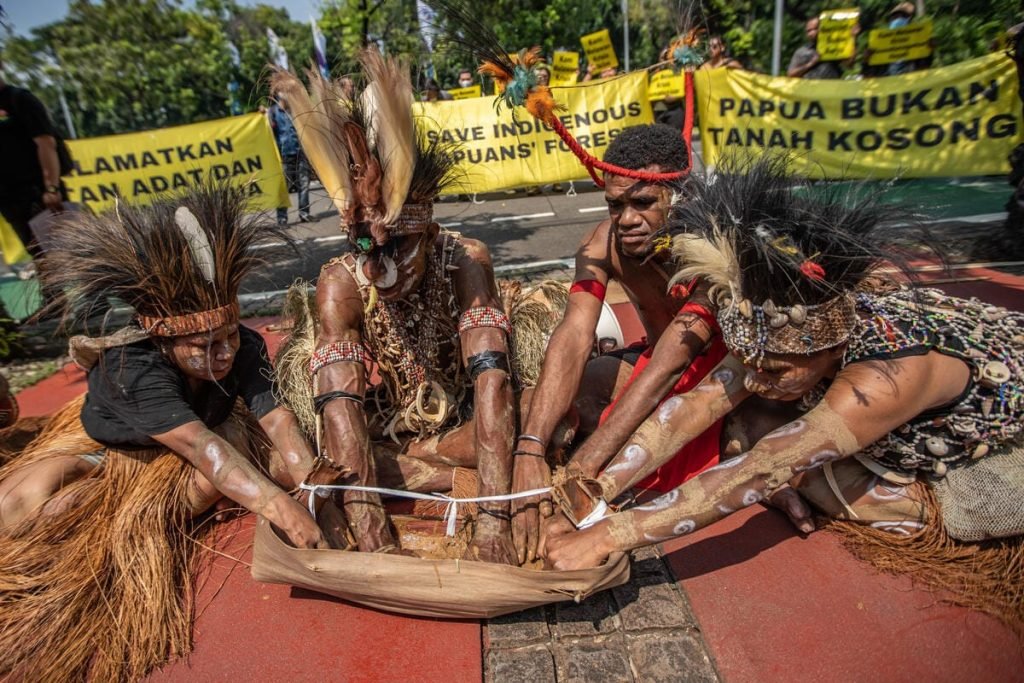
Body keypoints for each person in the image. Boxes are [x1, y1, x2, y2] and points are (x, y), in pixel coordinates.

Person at [543, 156, 1024, 628]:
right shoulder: (781, 329)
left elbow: (761, 468)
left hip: (979, 438)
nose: (755, 380)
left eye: (773, 370)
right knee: (751, 432)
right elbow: (697, 404)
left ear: (823, 350)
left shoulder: (880, 379)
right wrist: (599, 488)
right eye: (750, 364)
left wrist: (608, 536)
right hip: (867, 408)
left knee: (798, 470)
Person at [0, 183, 325, 681]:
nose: (224, 354)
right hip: (124, 452)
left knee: (241, 474)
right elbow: (200, 446)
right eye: (204, 346)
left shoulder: (244, 345)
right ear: (166, 341)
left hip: (211, 436)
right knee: (27, 509)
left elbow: (277, 419)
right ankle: (107, 507)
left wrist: (316, 488)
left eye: (229, 338)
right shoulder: (131, 366)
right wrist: (281, 508)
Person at [272, 49, 558, 564]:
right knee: (302, 453)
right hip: (398, 422)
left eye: (397, 246)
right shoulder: (341, 281)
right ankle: (439, 467)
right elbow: (341, 408)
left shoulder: (464, 260)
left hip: (469, 414)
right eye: (365, 246)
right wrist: (371, 530)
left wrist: (493, 517)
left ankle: (424, 468)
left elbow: (492, 384)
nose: (379, 267)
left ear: (428, 232)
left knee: (547, 415)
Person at [511, 123, 730, 564]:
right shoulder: (601, 246)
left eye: (643, 203)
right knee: (538, 407)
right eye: (615, 205)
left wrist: (583, 468)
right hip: (655, 366)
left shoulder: (717, 243)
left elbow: (674, 359)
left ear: (680, 195)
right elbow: (575, 334)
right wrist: (529, 448)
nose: (626, 219)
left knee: (750, 440)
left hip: (721, 381)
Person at [0, 63, 72, 261]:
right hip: (9, 200)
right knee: (40, 257)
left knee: (68, 253)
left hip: (39, 194)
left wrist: (51, 188)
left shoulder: (20, 100)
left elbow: (46, 143)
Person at [267, 93, 311, 225]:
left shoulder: (296, 109)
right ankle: (282, 217)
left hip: (300, 153)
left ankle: (304, 213)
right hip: (283, 156)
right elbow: (267, 129)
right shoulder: (272, 112)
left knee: (304, 184)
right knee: (283, 188)